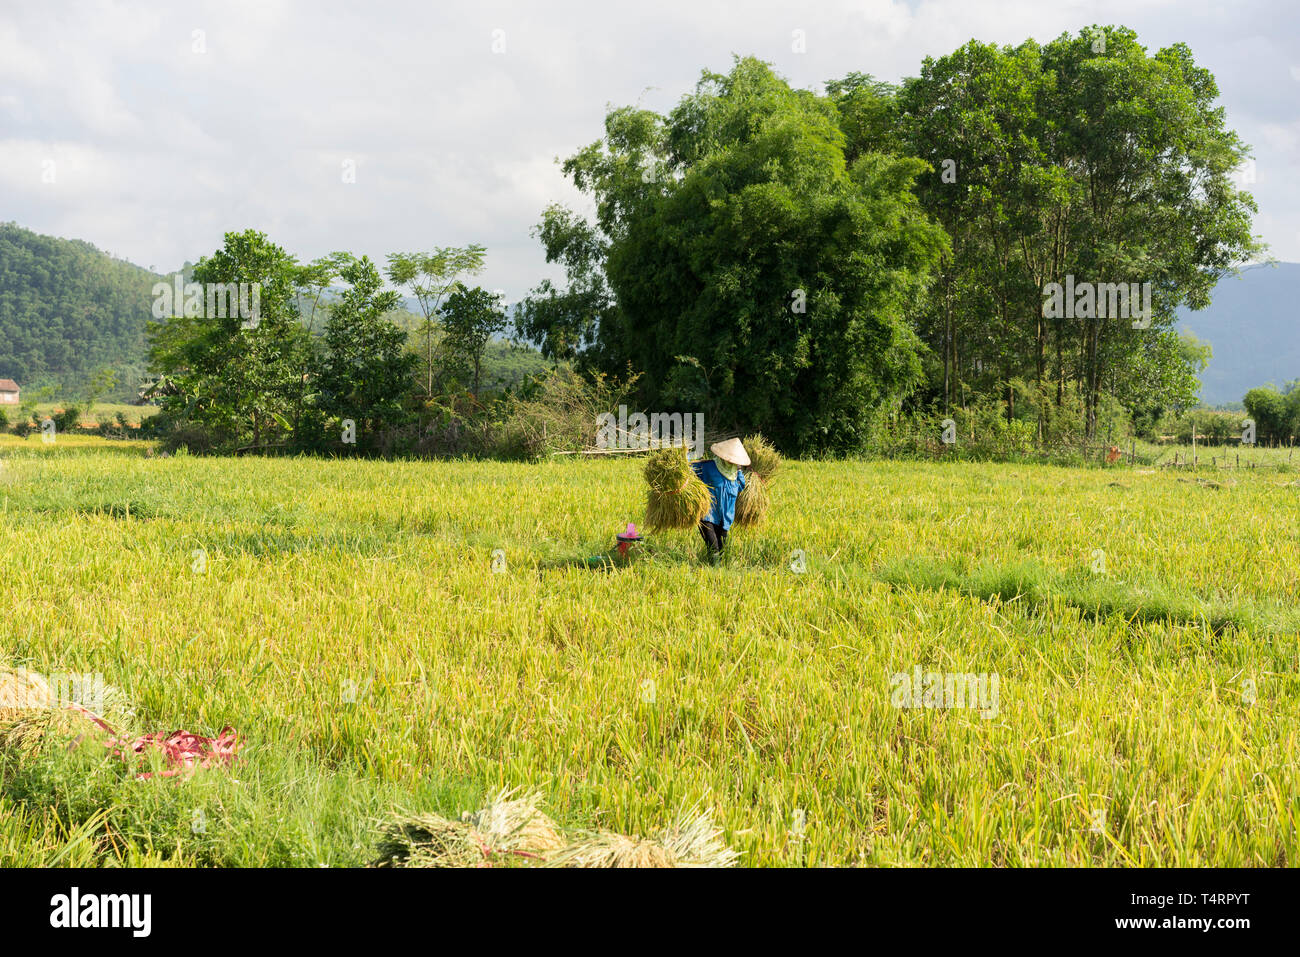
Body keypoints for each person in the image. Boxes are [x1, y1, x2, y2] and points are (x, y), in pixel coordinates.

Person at [691, 437, 749, 553]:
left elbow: (741, 487)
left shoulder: (736, 474)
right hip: (707, 514)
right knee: (714, 548)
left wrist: (740, 471)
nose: (731, 461)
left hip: (726, 518)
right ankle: (713, 568)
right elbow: (690, 470)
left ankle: (719, 569)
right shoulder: (709, 466)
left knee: (722, 549)